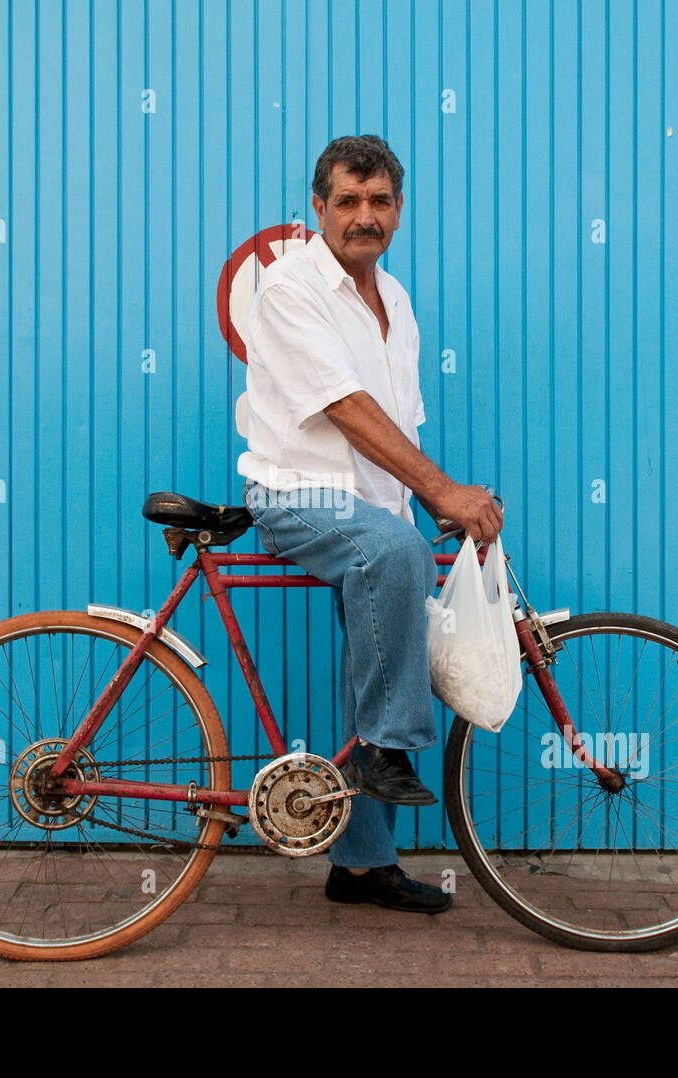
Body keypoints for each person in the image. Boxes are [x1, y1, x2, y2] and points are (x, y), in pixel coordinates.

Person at [238, 135, 503, 913]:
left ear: (398, 210)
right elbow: (347, 409)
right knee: (394, 555)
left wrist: (438, 504)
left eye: (380, 201)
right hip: (298, 495)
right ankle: (387, 750)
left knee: (397, 605)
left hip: (372, 506)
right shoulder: (291, 290)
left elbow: (399, 427)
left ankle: (360, 866)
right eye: (347, 201)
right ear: (317, 208)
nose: (364, 216)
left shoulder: (397, 300)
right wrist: (444, 492)